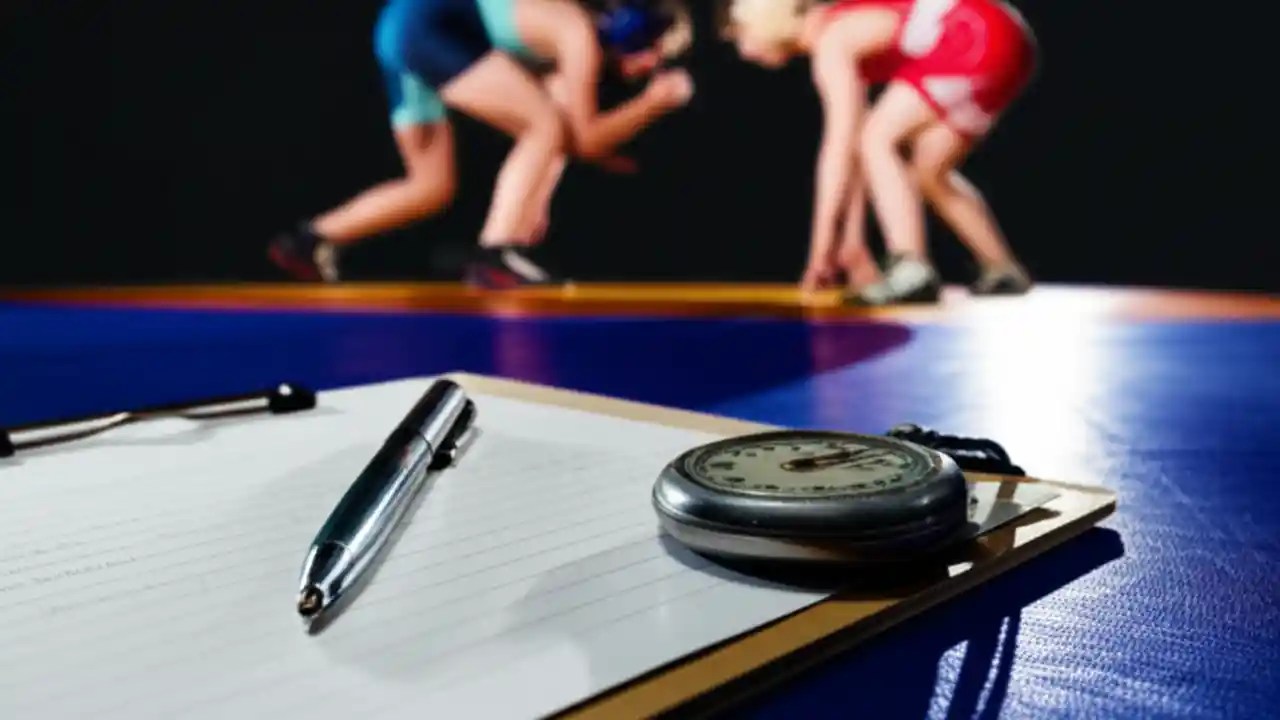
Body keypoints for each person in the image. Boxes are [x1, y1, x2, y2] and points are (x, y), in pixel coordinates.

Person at [269, 0, 694, 287]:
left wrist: (534, 206)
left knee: (431, 186)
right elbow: (582, 139)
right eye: (655, 49)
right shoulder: (576, 31)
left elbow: (567, 141)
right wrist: (654, 104)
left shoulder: (566, 39)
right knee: (540, 124)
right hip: (428, 25)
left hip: (407, 25)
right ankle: (495, 252)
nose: (654, 65)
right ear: (630, 28)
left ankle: (308, 239)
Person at [722, 0, 1036, 304]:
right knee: (929, 170)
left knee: (877, 137)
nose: (743, 52)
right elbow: (857, 156)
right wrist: (852, 242)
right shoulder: (841, 29)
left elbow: (840, 147)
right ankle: (1001, 267)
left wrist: (820, 252)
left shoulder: (832, 40)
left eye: (742, 36)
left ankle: (911, 267)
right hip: (1003, 37)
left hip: (973, 35)